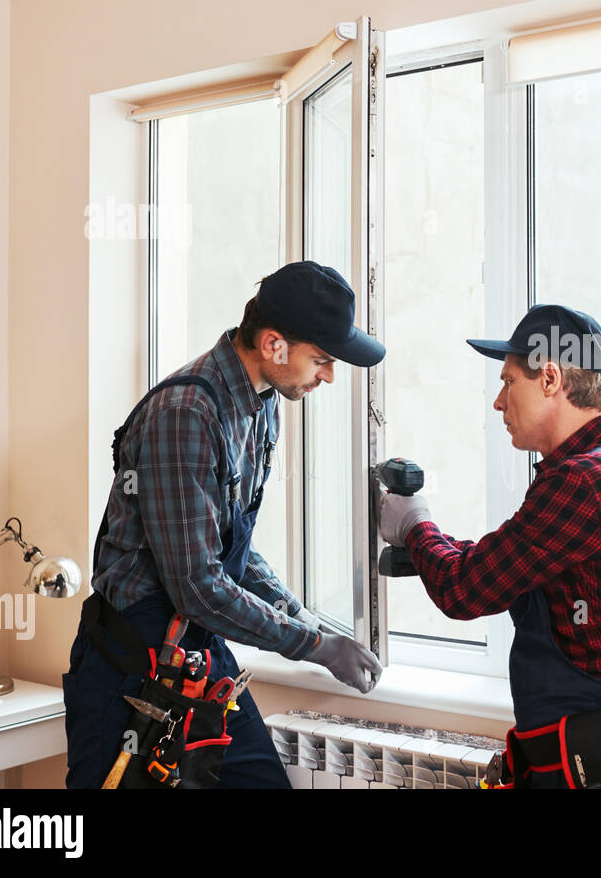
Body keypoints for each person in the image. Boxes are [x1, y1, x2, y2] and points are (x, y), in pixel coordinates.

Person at [64, 261, 384, 789]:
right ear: (273, 344)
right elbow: (198, 585)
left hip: (196, 653)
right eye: (322, 359)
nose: (327, 375)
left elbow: (233, 549)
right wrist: (314, 647)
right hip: (131, 665)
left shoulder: (261, 406)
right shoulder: (186, 413)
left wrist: (300, 616)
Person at [378, 304, 601, 788]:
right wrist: (425, 544)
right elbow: (502, 562)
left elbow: (464, 589)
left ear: (550, 379)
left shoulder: (582, 482)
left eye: (508, 381)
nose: (499, 402)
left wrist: (414, 524)